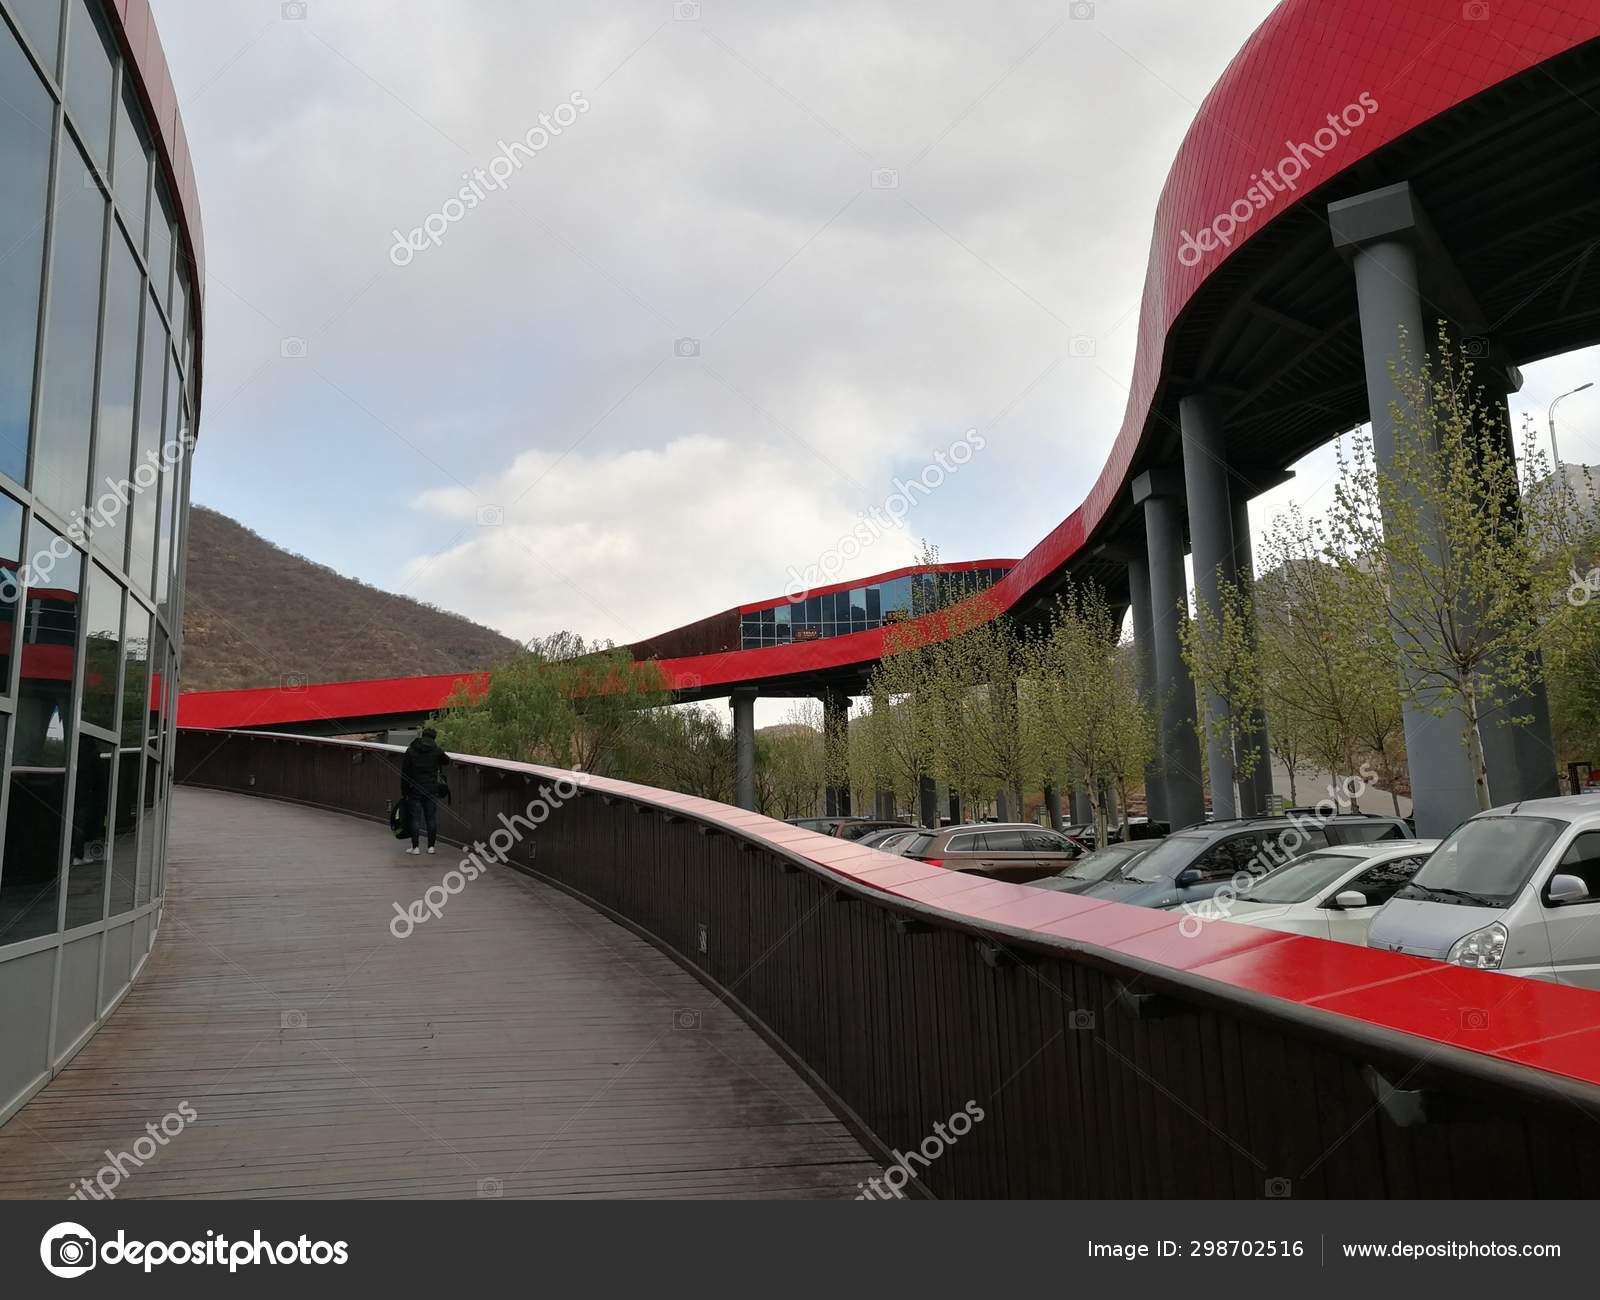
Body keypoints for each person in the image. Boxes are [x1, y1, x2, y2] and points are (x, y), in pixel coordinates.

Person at [399, 727, 450, 855]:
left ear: (422, 736)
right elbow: (447, 761)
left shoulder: (411, 751)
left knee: (415, 818)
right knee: (431, 818)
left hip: (414, 789)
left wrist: (404, 791)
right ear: (433, 738)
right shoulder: (436, 751)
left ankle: (415, 848)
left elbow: (404, 773)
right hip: (431, 789)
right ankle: (431, 847)